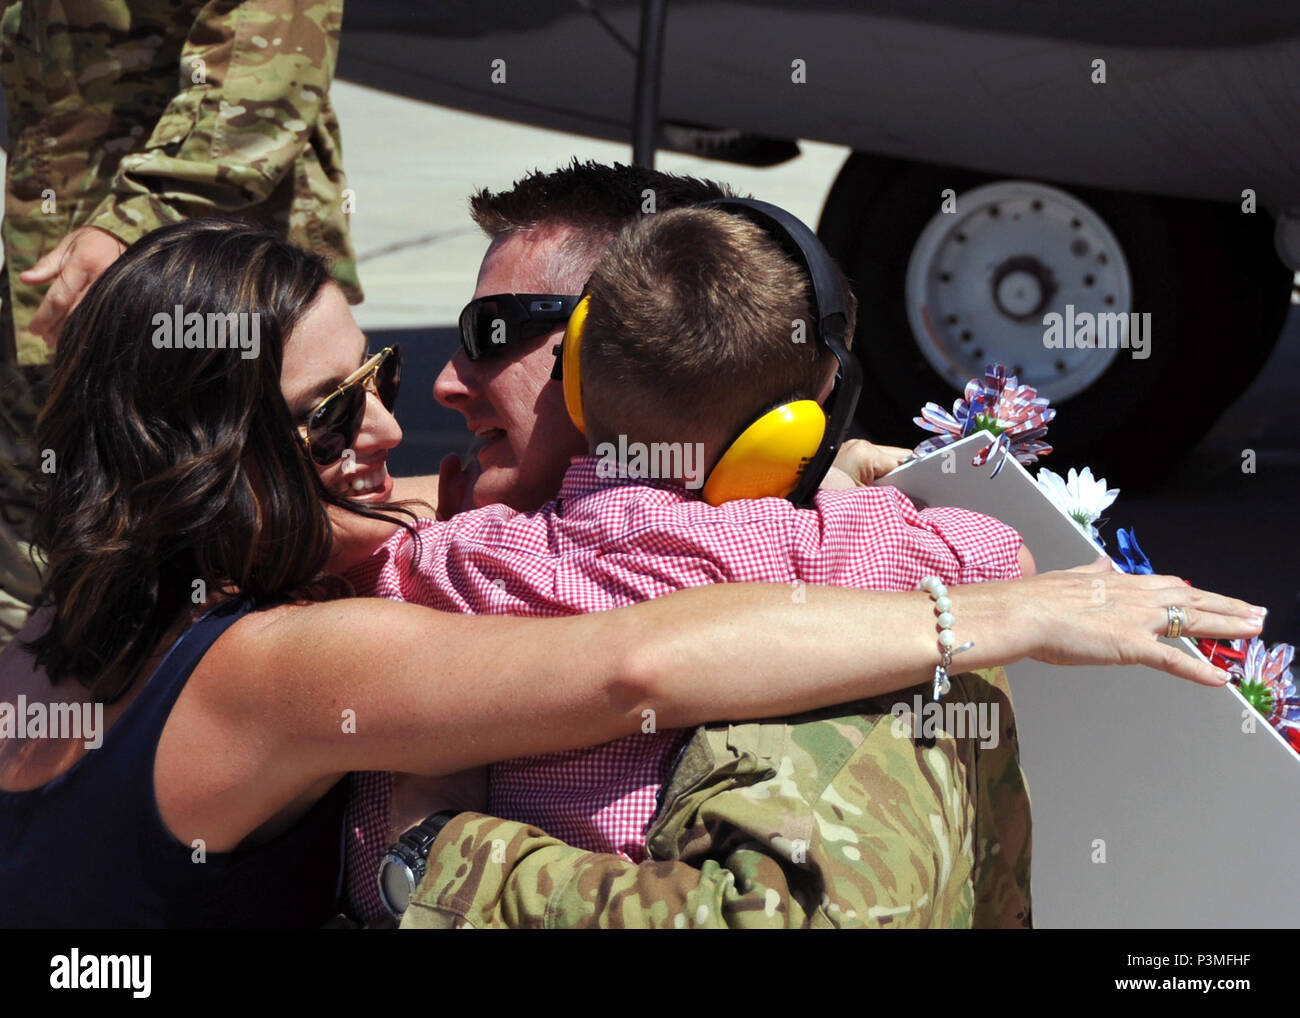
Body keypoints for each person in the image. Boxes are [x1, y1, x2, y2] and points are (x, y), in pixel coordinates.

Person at [1, 219, 1112, 929]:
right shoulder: (280, 666)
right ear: (210, 457)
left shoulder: (75, 607)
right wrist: (983, 611)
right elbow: (636, 664)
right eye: (332, 413)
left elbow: (433, 519)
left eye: (377, 373)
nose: (391, 425)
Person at [0, 0, 370, 645]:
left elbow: (263, 79)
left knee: (265, 550)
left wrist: (135, 220)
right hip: (57, 274)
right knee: (50, 553)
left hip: (215, 285)